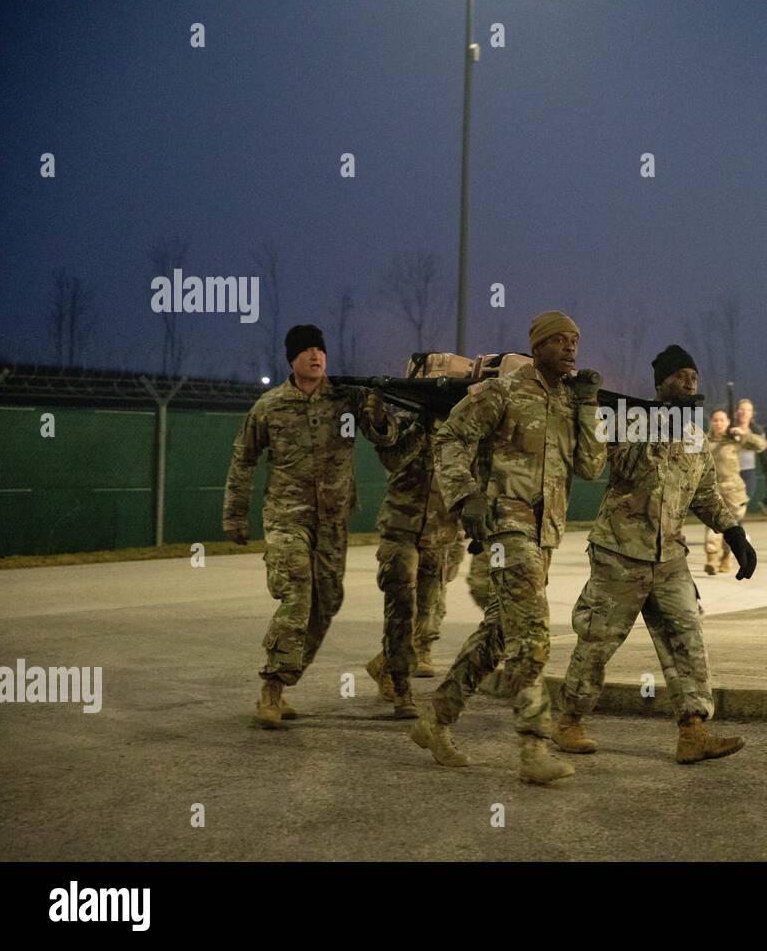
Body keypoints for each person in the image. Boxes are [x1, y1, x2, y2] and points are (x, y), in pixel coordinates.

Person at [409, 311, 605, 785]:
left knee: (499, 632)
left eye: (575, 341)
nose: (570, 348)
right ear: (536, 347)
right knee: (533, 634)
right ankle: (533, 746)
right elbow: (450, 437)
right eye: (559, 340)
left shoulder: (567, 402)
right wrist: (465, 495)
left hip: (545, 534)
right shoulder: (503, 391)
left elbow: (592, 468)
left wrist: (589, 406)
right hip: (505, 526)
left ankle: (435, 718)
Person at [555, 344, 754, 764]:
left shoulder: (696, 436)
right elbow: (604, 467)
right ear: (661, 383)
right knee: (596, 643)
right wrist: (654, 426)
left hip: (670, 559)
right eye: (681, 376)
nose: (689, 383)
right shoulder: (631, 421)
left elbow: (705, 495)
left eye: (694, 377)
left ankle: (693, 732)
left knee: (687, 640)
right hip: (619, 554)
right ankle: (569, 721)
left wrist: (734, 533)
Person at [223, 324, 396, 728]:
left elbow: (384, 438)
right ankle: (271, 687)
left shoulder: (346, 400)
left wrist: (378, 410)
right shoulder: (270, 407)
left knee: (327, 602)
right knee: (297, 595)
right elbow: (243, 459)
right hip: (288, 517)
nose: (315, 356)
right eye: (306, 351)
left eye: (320, 350)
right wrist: (235, 514)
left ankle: (287, 673)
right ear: (291, 359)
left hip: (333, 522)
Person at [362, 378, 466, 719]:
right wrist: (377, 418)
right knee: (401, 608)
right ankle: (401, 687)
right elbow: (387, 440)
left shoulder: (464, 431)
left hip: (441, 533)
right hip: (401, 529)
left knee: (427, 615)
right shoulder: (411, 424)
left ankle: (385, 663)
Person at [704, 408, 767, 575]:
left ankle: (726, 556)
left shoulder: (733, 439)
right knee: (712, 524)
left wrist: (743, 434)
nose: (719, 423)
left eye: (722, 420)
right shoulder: (704, 440)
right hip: (712, 489)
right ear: (711, 422)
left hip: (733, 491)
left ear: (728, 422)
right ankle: (711, 558)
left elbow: (761, 445)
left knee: (731, 527)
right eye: (716, 420)